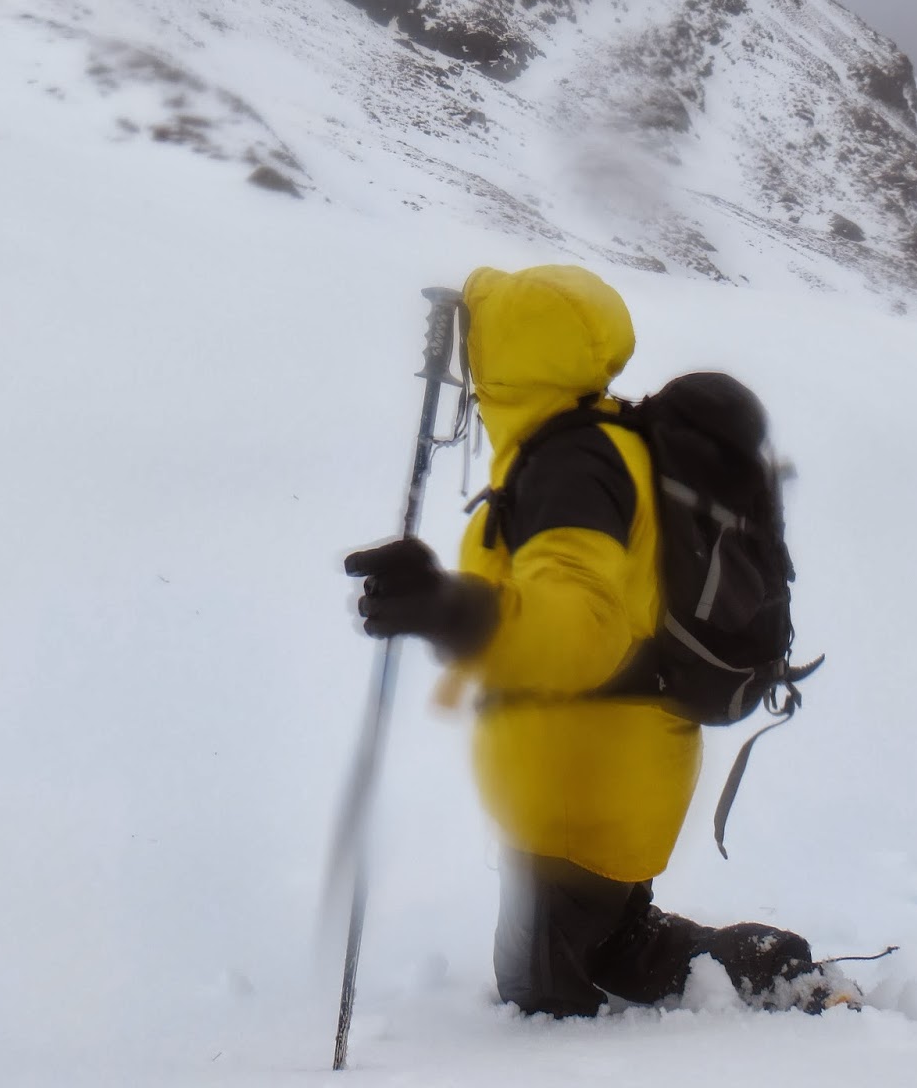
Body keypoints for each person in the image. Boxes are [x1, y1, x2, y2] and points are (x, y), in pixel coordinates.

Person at [346, 263, 851, 1018]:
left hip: (584, 786)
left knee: (544, 1000)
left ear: (511, 357)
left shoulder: (572, 466)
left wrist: (448, 608)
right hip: (607, 771)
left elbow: (580, 621)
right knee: (609, 945)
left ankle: (774, 983)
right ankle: (762, 975)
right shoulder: (596, 439)